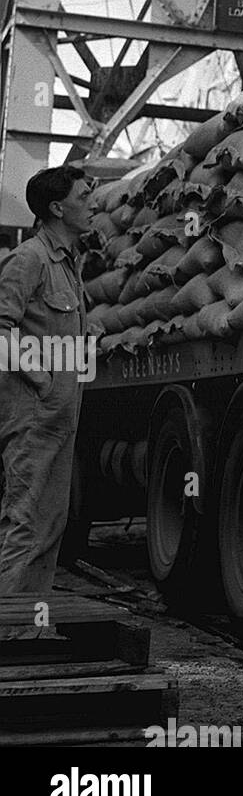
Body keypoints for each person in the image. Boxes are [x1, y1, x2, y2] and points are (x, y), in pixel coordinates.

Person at [0, 166, 95, 605]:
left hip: (60, 412)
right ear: (58, 208)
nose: (92, 203)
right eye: (83, 196)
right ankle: (8, 629)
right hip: (35, 415)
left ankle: (29, 627)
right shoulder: (29, 260)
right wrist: (41, 379)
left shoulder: (69, 263)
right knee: (25, 520)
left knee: (51, 520)